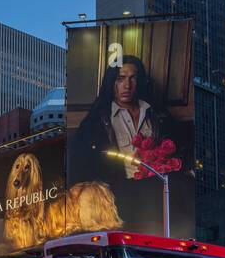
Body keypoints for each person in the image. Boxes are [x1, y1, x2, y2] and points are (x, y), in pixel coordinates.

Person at [70, 55, 179, 185]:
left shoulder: (157, 114)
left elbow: (178, 151)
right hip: (121, 191)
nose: (127, 85)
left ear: (140, 82)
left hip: (157, 187)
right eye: (120, 79)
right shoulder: (95, 122)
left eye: (133, 78)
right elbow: (81, 168)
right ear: (111, 82)